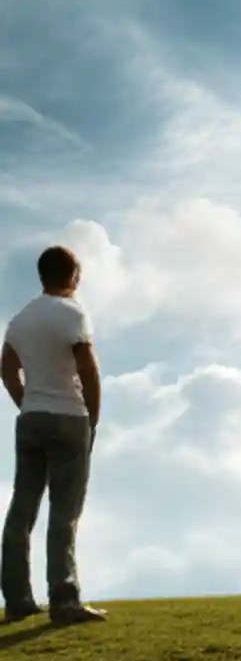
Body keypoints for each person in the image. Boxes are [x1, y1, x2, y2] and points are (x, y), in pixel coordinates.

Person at [0, 246, 107, 625]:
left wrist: (25, 402)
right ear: (73, 275)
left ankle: (17, 599)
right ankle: (64, 600)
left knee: (22, 509)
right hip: (68, 418)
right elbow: (89, 371)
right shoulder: (73, 313)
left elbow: (7, 370)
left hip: (31, 420)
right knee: (65, 511)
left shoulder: (20, 320)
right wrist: (92, 419)